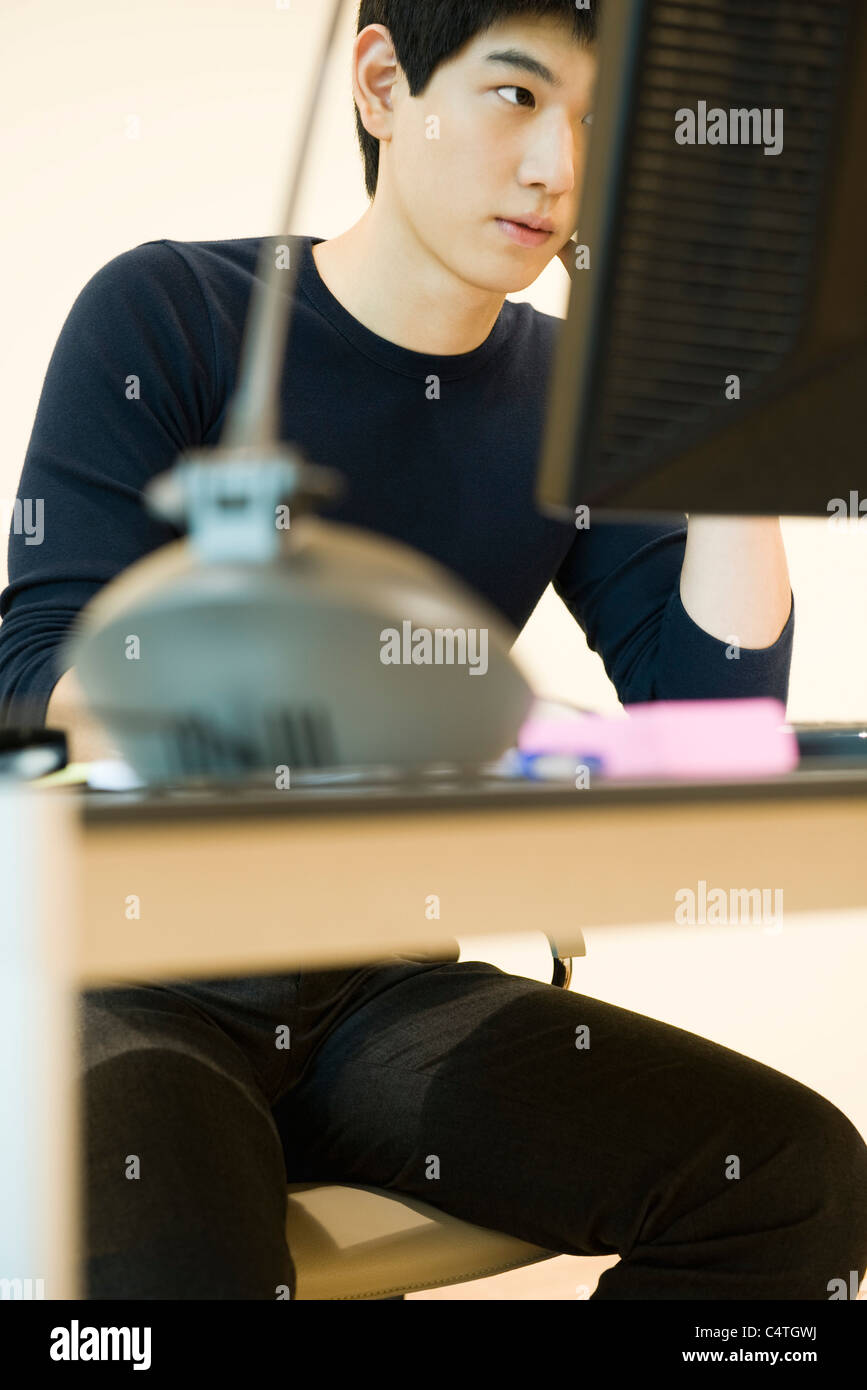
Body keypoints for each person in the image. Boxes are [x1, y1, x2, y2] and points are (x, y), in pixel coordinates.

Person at [1, 0, 865, 1300]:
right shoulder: (171, 311)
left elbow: (718, 722)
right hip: (121, 978)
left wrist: (735, 418)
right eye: (518, 96)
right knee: (166, 1253)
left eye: (595, 124)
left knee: (795, 1174)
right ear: (382, 82)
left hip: (380, 992)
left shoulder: (570, 395)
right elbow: (34, 695)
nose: (556, 167)